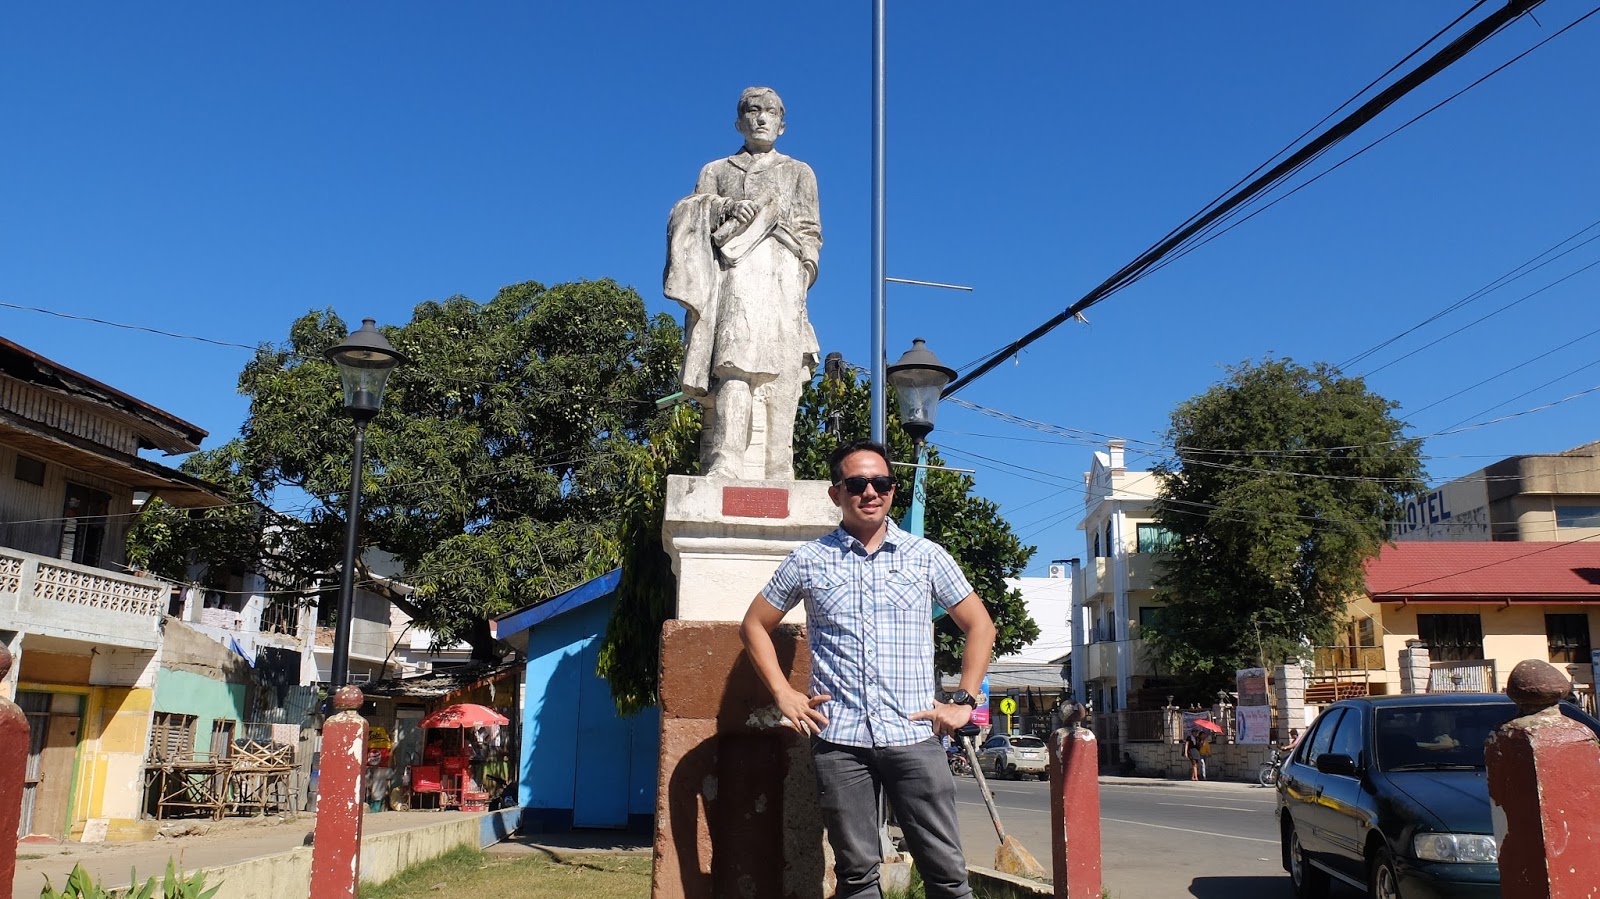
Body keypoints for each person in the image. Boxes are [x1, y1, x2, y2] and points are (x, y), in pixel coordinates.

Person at [740, 439, 997, 899]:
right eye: (857, 483)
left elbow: (979, 624)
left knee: (947, 873)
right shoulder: (809, 559)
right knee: (856, 874)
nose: (871, 492)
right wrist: (783, 693)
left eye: (882, 482)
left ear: (893, 490)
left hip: (914, 737)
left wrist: (966, 700)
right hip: (841, 743)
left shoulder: (926, 556)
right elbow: (755, 625)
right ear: (836, 492)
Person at [665, 86, 821, 480]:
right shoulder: (716, 171)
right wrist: (725, 207)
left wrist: (803, 273)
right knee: (734, 365)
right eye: (753, 111)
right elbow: (686, 215)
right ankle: (727, 459)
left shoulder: (799, 172)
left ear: (782, 125)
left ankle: (778, 465)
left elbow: (810, 233)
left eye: (771, 112)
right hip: (734, 276)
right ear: (739, 122)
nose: (762, 118)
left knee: (783, 372)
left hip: (783, 276)